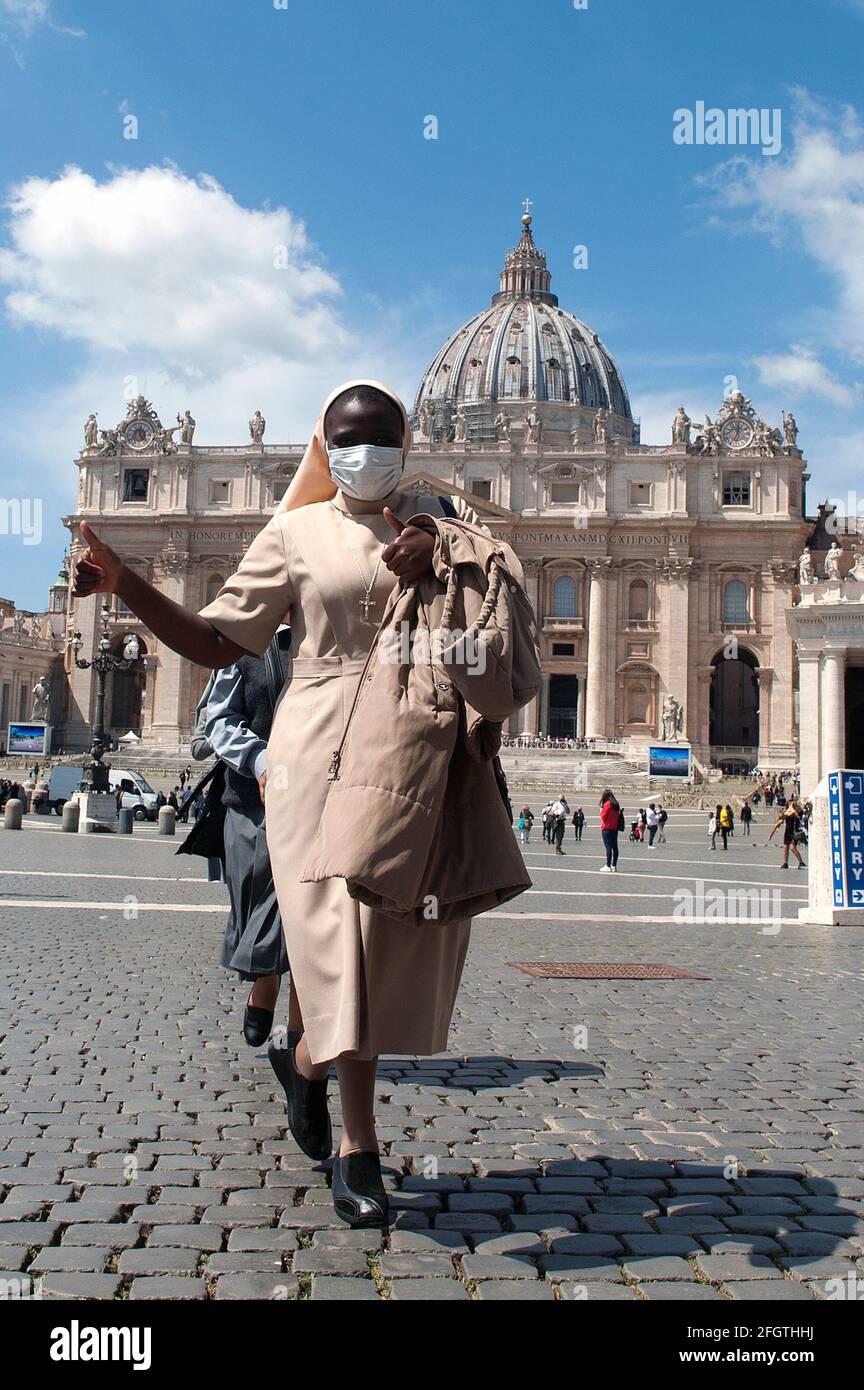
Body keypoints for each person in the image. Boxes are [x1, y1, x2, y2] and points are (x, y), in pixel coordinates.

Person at [71, 377, 538, 1230]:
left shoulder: (447, 525)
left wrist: (435, 545)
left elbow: (491, 608)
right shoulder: (291, 532)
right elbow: (216, 641)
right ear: (324, 447)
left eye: (383, 435)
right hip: (312, 751)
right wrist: (128, 581)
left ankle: (309, 1063)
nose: (367, 451)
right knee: (333, 935)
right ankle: (361, 1150)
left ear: (408, 441)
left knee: (384, 937)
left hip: (410, 745)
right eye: (349, 438)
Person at [203, 626, 292, 1046]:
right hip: (249, 796)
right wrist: (259, 760)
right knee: (255, 892)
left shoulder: (344, 634)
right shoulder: (243, 640)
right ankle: (267, 977)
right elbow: (217, 718)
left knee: (303, 896)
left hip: (324, 796)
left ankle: (305, 1031)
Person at [768, 799, 806, 869]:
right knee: (786, 848)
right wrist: (778, 825)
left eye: (791, 802)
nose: (790, 803)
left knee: (792, 848)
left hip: (794, 832)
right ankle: (785, 863)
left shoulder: (796, 811)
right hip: (787, 832)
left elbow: (800, 813)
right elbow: (781, 820)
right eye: (789, 802)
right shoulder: (787, 812)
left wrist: (797, 807)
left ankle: (801, 862)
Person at [599, 788, 621, 872]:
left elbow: (603, 816)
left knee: (608, 847)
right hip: (614, 828)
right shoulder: (616, 804)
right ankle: (614, 865)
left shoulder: (607, 804)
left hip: (606, 827)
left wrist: (601, 811)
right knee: (615, 847)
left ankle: (607, 865)